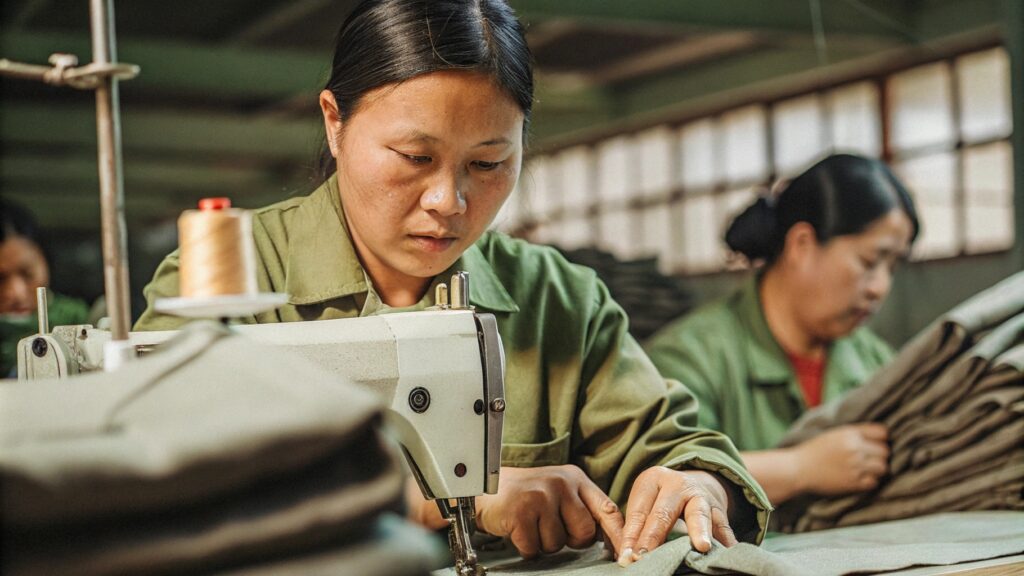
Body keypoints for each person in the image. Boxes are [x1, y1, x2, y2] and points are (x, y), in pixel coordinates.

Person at [134, 0, 772, 563]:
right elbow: (150, 483)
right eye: (416, 157)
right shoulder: (221, 283)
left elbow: (674, 446)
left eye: (488, 163)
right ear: (334, 122)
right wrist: (448, 497)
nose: (449, 201)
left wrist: (696, 485)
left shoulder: (560, 301)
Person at [645, 154, 920, 507]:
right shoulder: (689, 358)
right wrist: (800, 468)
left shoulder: (877, 362)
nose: (880, 287)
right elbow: (664, 482)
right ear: (801, 244)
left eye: (892, 267)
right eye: (869, 262)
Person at [0, 200, 90, 377]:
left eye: (27, 274)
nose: (16, 293)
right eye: (0, 279)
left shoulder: (84, 323)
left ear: (45, 262)